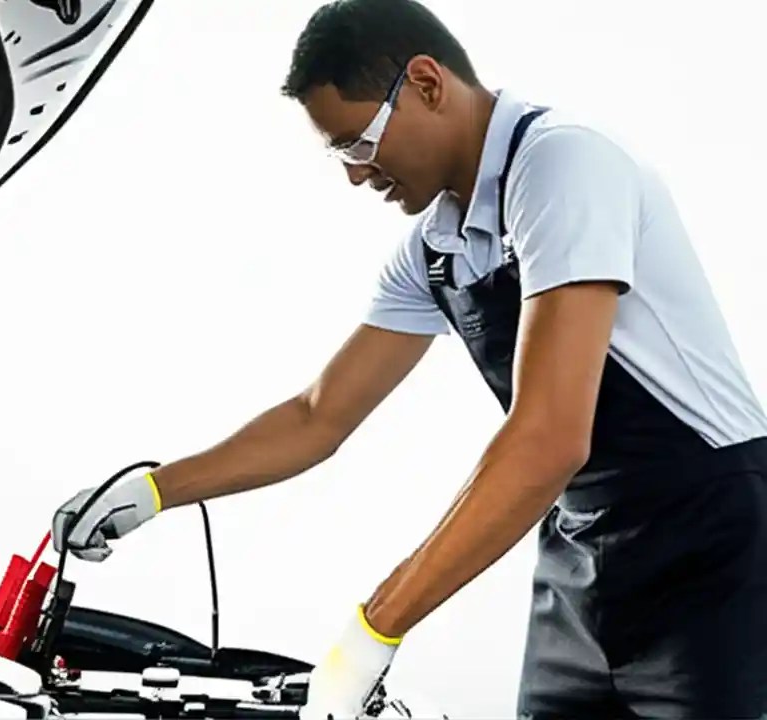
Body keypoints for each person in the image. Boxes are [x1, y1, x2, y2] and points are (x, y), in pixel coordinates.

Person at [50, 0, 767, 717]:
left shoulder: (564, 162)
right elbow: (316, 416)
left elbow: (549, 438)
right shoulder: (434, 252)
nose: (358, 176)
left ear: (426, 83)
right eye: (340, 155)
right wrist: (152, 490)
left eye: (358, 144)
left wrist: (375, 628)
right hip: (581, 563)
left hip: (713, 552)